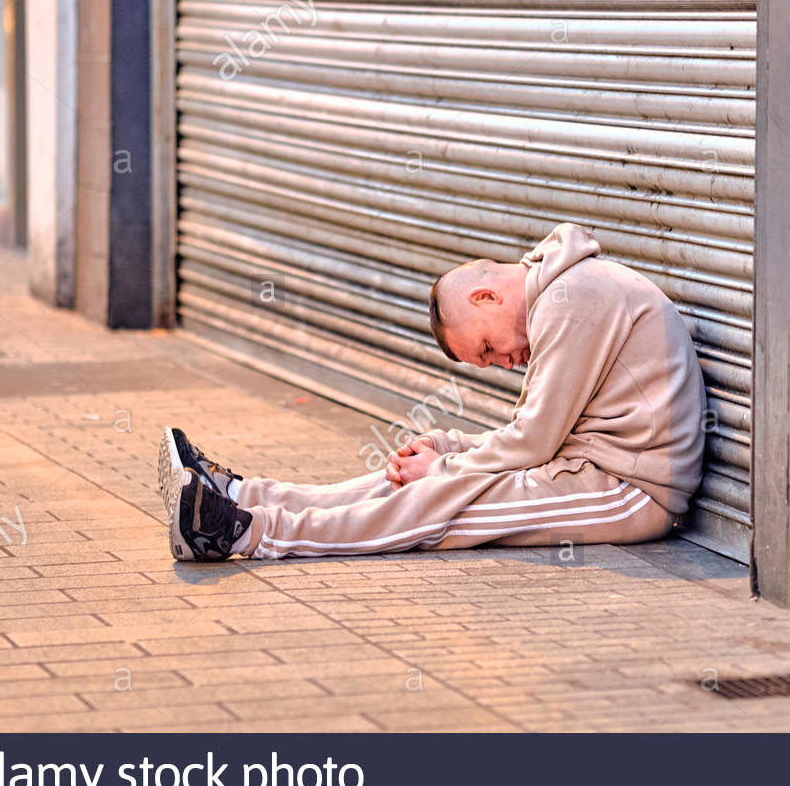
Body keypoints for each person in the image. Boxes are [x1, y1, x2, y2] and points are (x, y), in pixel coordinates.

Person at [160, 222, 706, 561]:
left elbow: (535, 441)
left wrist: (442, 471)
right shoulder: (563, 295)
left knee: (445, 497)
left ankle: (248, 535)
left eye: (488, 349)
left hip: (631, 491)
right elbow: (537, 438)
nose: (503, 362)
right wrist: (448, 451)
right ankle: (244, 495)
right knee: (442, 457)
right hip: (583, 468)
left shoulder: (572, 300)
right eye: (489, 358)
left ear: (487, 296)